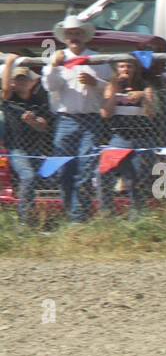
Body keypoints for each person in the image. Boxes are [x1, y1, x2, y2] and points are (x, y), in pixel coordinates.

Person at [43, 17, 110, 221]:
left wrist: (94, 82)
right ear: (65, 37)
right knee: (64, 170)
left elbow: (110, 87)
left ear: (85, 36)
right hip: (65, 120)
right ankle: (70, 214)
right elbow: (49, 86)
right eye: (70, 34)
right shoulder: (58, 59)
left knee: (85, 170)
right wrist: (54, 66)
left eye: (78, 33)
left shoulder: (97, 60)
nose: (74, 37)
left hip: (91, 120)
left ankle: (78, 218)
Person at [100, 57, 158, 217]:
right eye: (122, 66)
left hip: (142, 138)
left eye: (129, 66)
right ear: (116, 69)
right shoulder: (111, 87)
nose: (125, 69)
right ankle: (106, 212)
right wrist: (116, 90)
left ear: (135, 69)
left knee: (137, 179)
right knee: (104, 172)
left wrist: (143, 97)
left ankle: (137, 215)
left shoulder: (145, 88)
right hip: (120, 138)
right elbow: (105, 113)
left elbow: (152, 113)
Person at [2, 55, 54, 227]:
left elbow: (43, 127)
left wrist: (32, 121)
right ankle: (25, 221)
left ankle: (43, 215)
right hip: (16, 148)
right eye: (18, 80)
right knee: (28, 176)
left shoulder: (38, 101)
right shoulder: (9, 99)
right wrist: (9, 62)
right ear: (13, 83)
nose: (21, 82)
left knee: (54, 176)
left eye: (25, 79)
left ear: (32, 82)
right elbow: (4, 90)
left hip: (35, 149)